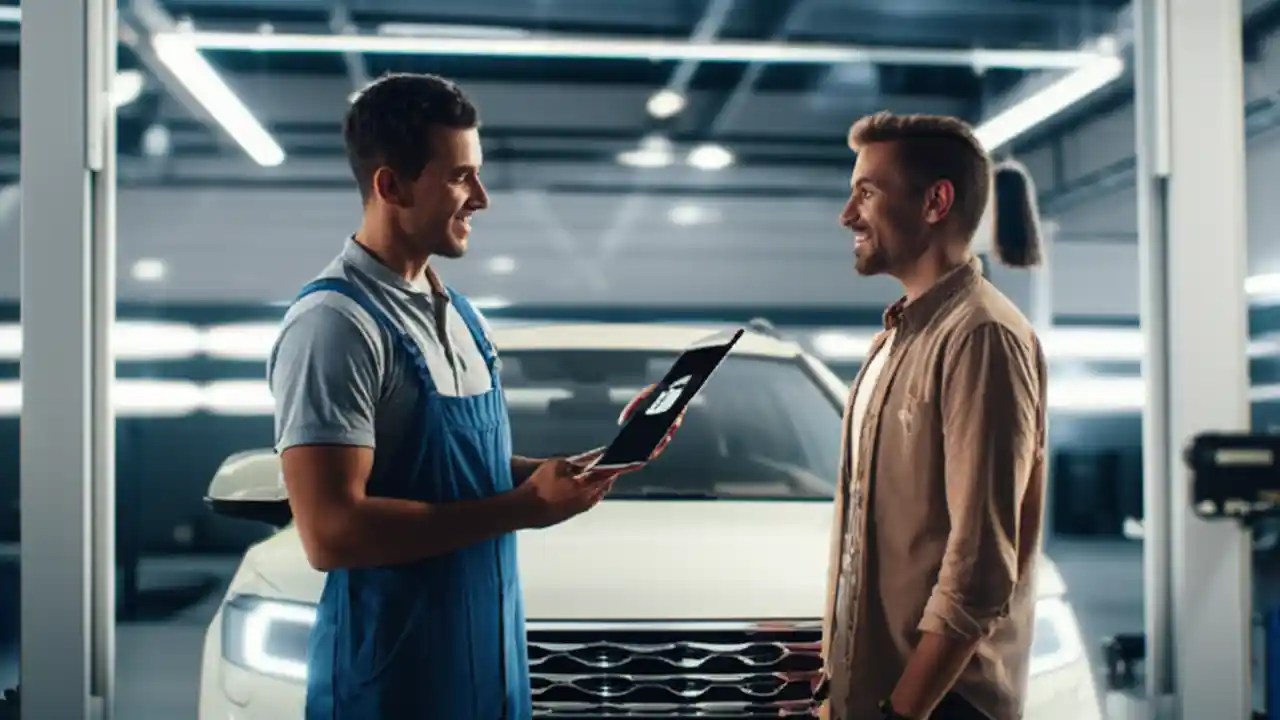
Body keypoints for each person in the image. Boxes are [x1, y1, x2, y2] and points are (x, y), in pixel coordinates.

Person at [267, 72, 677, 719]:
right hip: (394, 688)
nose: (481, 199)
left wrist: (592, 463)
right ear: (391, 186)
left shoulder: (462, 316)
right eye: (461, 177)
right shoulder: (334, 325)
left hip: (491, 674)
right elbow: (332, 532)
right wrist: (524, 507)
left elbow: (460, 474)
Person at [815, 111, 1048, 720]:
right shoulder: (894, 340)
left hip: (942, 703)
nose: (847, 215)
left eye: (867, 192)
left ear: (935, 202)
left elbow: (980, 566)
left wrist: (905, 709)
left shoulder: (981, 336)